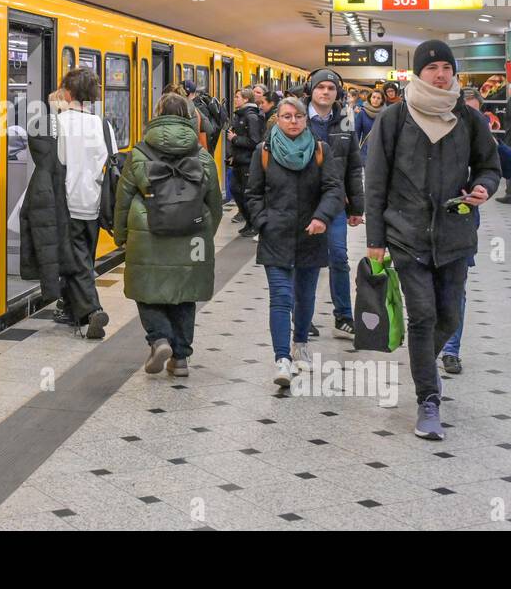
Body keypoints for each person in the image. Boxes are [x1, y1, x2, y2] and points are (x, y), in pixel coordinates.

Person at [364, 41, 501, 439]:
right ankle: (428, 398)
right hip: (405, 234)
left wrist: (482, 187)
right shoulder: (392, 119)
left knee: (450, 317)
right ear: (417, 73)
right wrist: (376, 239)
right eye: (432, 67)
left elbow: (490, 166)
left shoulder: (467, 118)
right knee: (422, 316)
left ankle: (422, 361)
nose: (440, 74)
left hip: (455, 234)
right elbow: (375, 184)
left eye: (446, 67)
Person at [113, 93, 223, 377]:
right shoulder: (202, 156)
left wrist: (121, 234)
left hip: (147, 230)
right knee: (185, 294)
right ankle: (181, 358)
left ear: (157, 114)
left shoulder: (139, 153)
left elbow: (123, 199)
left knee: (145, 290)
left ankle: (159, 339)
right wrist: (207, 232)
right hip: (192, 232)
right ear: (189, 117)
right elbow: (214, 202)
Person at [244, 97, 344, 387]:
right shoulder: (263, 152)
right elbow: (253, 192)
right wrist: (263, 221)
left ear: (306, 119)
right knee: (281, 297)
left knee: (305, 296)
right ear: (277, 119)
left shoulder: (320, 151)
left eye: (298, 116)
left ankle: (300, 344)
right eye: (286, 116)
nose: (293, 121)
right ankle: (282, 359)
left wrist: (322, 217)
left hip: (310, 235)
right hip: (276, 236)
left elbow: (333, 189)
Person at [304, 69, 364, 340]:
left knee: (339, 257)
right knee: (306, 261)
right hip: (303, 203)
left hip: (336, 202)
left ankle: (343, 316)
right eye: (321, 87)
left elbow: (353, 166)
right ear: (311, 90)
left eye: (330, 88)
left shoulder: (345, 122)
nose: (325, 92)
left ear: (337, 92)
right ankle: (303, 316)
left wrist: (357, 208)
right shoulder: (297, 118)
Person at [56, 68, 114, 339]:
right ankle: (69, 308)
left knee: (76, 261)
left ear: (68, 92)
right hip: (95, 201)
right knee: (83, 257)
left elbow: (59, 162)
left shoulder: (59, 122)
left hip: (68, 201)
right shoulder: (103, 124)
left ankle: (91, 311)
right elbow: (109, 161)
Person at [440, 87, 490, 375]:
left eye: (473, 113)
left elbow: (508, 166)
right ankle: (431, 342)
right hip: (427, 224)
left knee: (456, 288)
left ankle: (451, 349)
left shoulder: (478, 136)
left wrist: (484, 179)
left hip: (463, 223)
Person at [19, 89, 71, 311]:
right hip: (69, 195)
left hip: (42, 192)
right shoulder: (75, 131)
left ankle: (55, 293)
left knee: (47, 242)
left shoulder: (39, 129)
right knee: (68, 246)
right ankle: (72, 300)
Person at [225, 88, 265, 237]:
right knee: (236, 191)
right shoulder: (240, 116)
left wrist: (235, 139)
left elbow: (255, 141)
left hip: (248, 162)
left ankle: (254, 224)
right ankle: (248, 223)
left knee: (247, 195)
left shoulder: (251, 117)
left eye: (237, 97)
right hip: (239, 161)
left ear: (246, 100)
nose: (234, 99)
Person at [355, 87, 384, 153]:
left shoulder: (385, 114)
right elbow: (356, 135)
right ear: (370, 98)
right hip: (365, 151)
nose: (376, 100)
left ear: (382, 100)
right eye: (373, 97)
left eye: (378, 98)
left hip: (380, 151)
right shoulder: (362, 113)